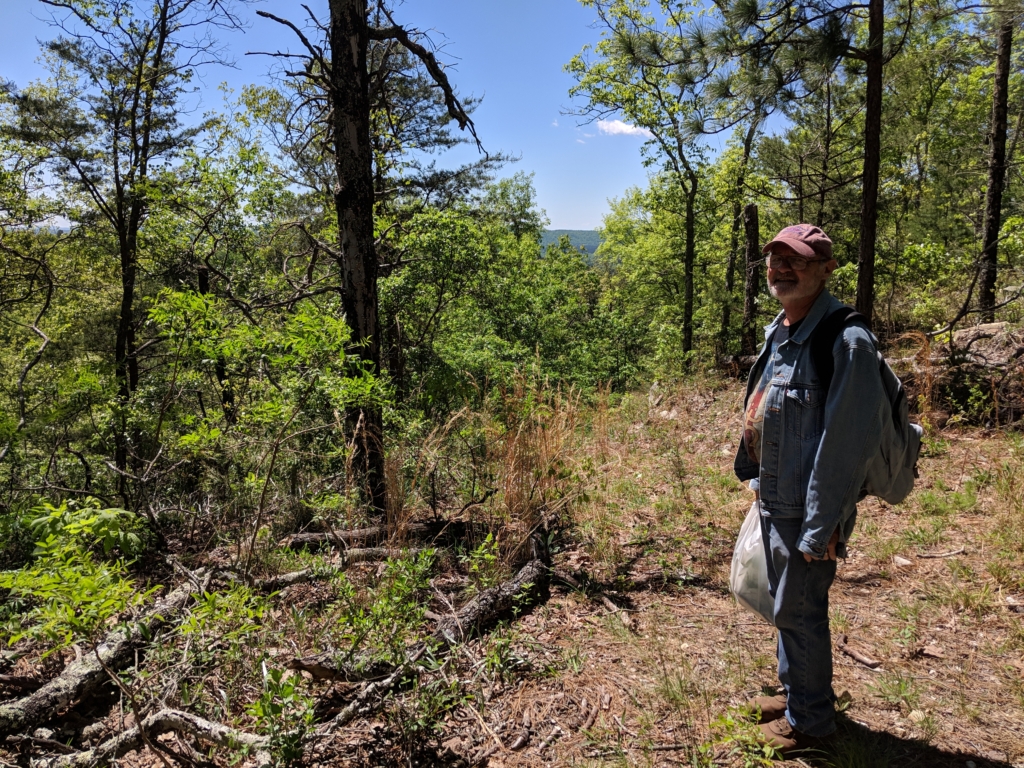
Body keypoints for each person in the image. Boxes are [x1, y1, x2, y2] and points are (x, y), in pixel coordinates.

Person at [734, 224, 888, 753]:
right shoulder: (782, 328)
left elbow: (845, 447)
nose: (781, 268)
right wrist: (756, 477)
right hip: (777, 495)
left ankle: (812, 724)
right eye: (775, 259)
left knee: (799, 611)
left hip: (809, 510)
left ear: (824, 269)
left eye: (795, 260)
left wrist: (822, 527)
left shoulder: (847, 340)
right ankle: (793, 690)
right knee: (785, 607)